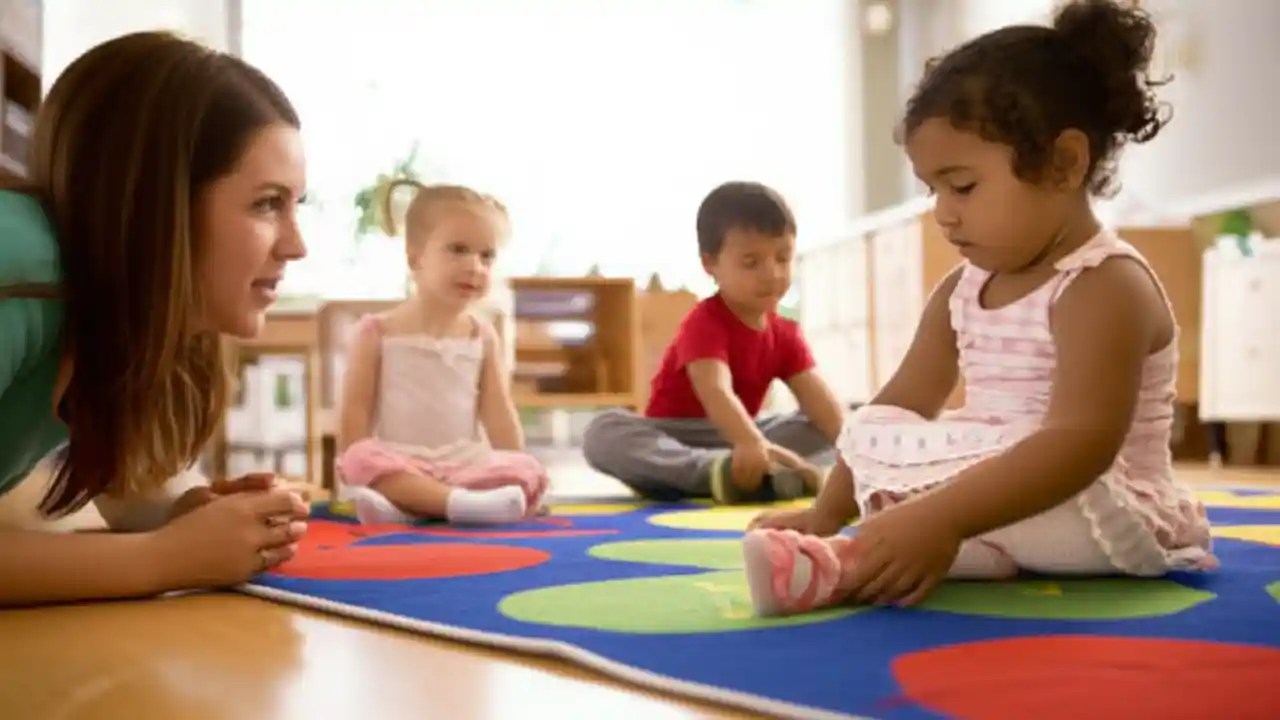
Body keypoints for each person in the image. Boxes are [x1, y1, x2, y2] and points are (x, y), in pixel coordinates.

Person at [744, 0, 1218, 615]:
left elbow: (1079, 447)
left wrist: (939, 514)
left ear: (1064, 163)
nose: (943, 212)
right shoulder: (961, 291)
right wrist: (827, 510)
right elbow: (898, 403)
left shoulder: (1105, 285)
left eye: (963, 186)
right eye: (933, 189)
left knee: (1012, 480)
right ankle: (873, 554)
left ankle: (872, 556)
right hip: (989, 497)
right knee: (873, 423)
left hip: (1094, 505)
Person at [0, 32, 311, 607]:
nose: (296, 245)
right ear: (157, 200)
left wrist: (191, 513)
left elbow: (123, 481)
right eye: (268, 203)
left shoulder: (125, 310)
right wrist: (164, 557)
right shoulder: (16, 259)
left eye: (296, 205)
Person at [582, 181, 844, 504]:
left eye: (783, 258)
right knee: (603, 431)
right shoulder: (704, 322)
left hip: (747, 440)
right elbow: (715, 390)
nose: (772, 274)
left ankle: (754, 474)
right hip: (676, 439)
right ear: (710, 264)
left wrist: (854, 453)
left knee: (823, 424)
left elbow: (820, 401)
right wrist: (748, 442)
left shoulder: (785, 333)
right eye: (751, 262)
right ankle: (716, 472)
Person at [335, 181, 549, 525]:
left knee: (528, 468)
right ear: (415, 257)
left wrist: (515, 466)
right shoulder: (376, 332)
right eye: (458, 250)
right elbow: (355, 415)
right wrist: (354, 467)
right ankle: (451, 504)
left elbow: (499, 415)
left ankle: (417, 506)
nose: (475, 266)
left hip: (465, 466)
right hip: (401, 464)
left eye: (486, 256)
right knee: (360, 458)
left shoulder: (482, 336)